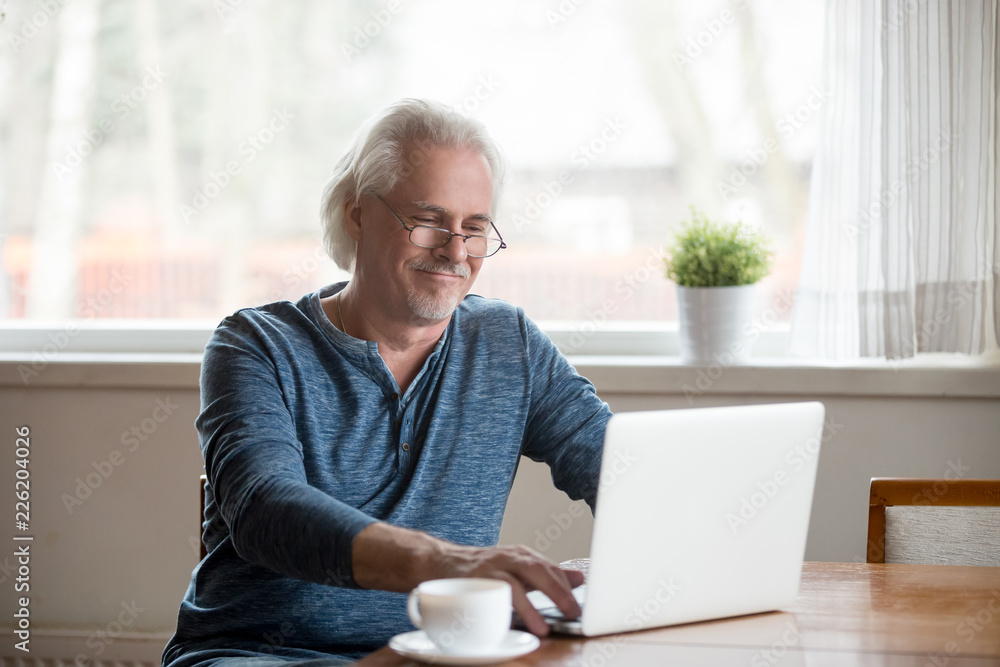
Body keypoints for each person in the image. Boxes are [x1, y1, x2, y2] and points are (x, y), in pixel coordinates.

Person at [162, 98, 613, 666]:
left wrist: (643, 563)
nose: (455, 252)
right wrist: (449, 563)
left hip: (442, 653)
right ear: (356, 214)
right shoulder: (255, 345)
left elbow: (621, 470)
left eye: (474, 229)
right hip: (258, 656)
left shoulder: (508, 343)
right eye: (428, 222)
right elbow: (265, 510)